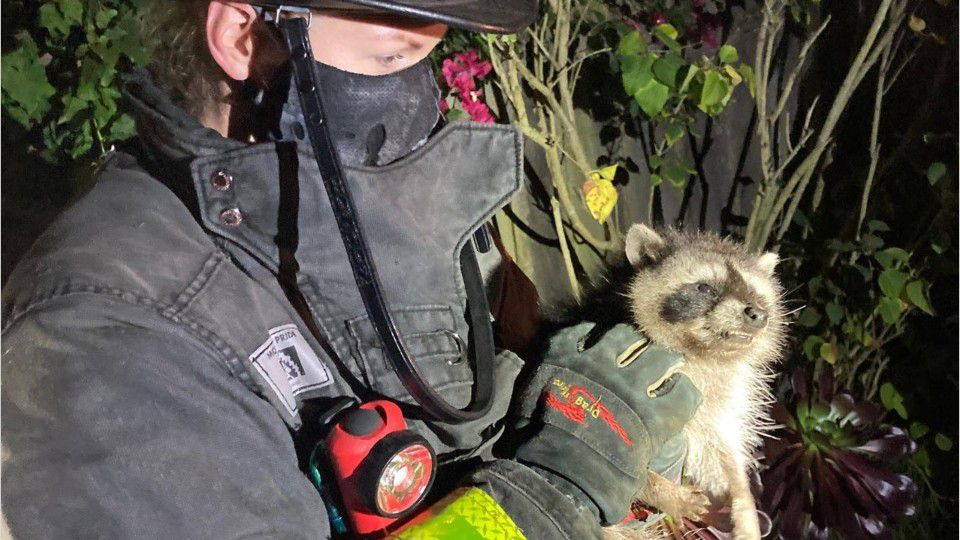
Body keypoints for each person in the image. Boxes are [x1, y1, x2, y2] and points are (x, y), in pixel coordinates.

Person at [1, 1, 702, 538]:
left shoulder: (369, 202)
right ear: (244, 36)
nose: (422, 100)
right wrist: (556, 491)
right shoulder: (100, 342)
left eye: (432, 56)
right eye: (390, 59)